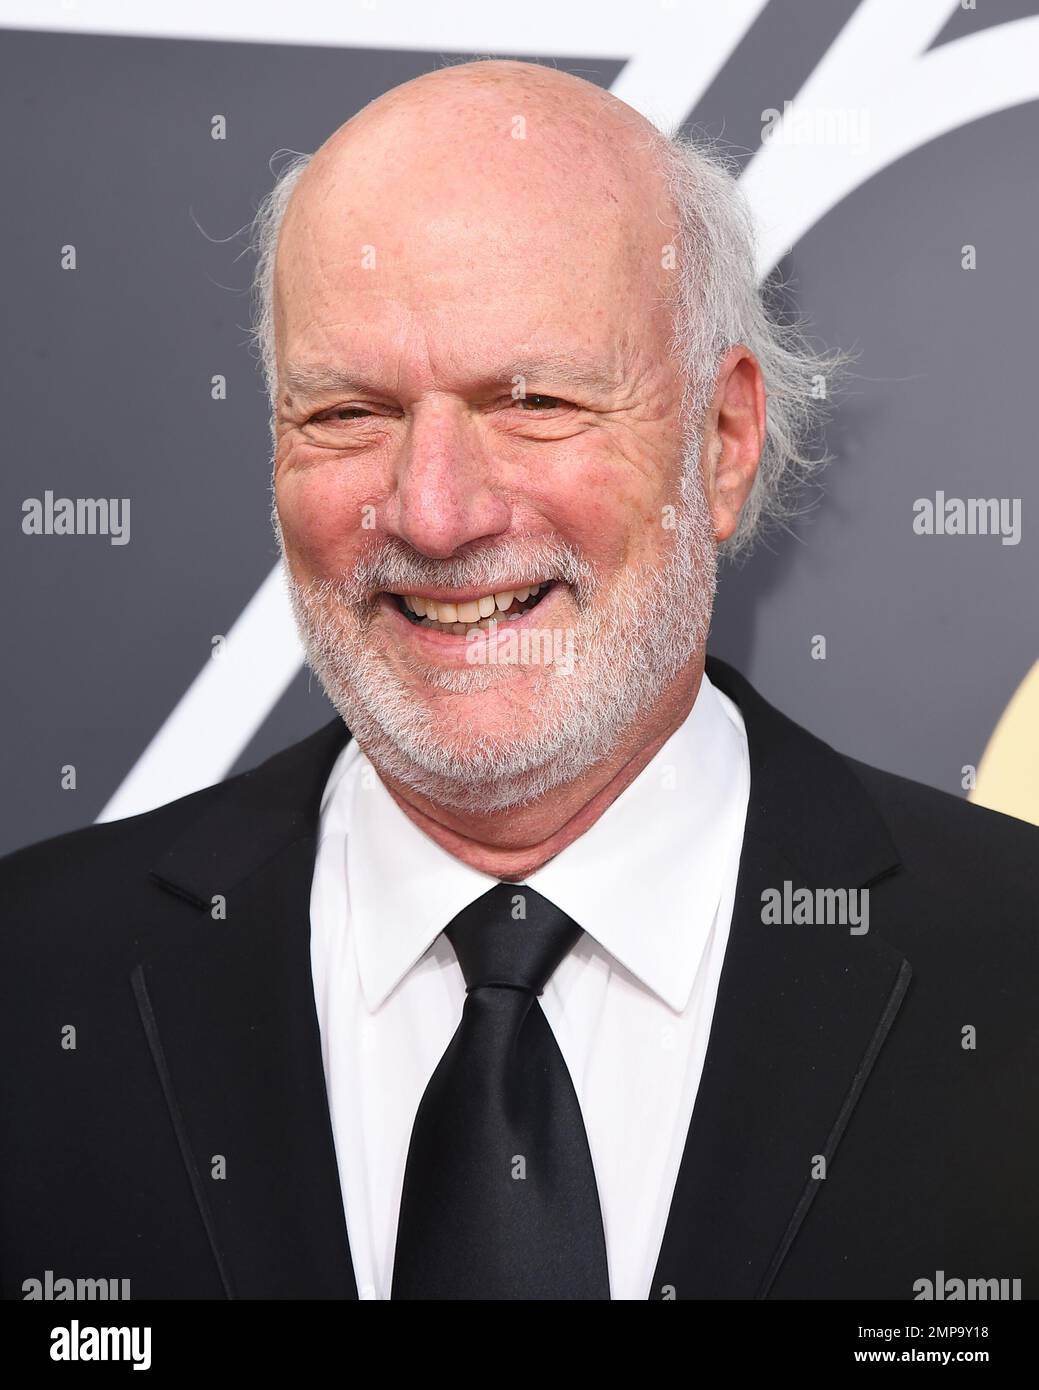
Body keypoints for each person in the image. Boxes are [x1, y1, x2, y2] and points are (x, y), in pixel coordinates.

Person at [2, 59, 1037, 1302]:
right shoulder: (33, 983)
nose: (434, 515)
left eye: (534, 399)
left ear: (720, 442)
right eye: (347, 412)